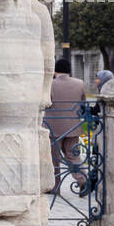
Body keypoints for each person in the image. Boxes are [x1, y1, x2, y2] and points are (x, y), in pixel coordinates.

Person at [45, 58, 88, 194]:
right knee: (73, 155)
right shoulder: (80, 83)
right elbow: (83, 103)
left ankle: (55, 187)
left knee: (53, 158)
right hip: (73, 126)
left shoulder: (50, 84)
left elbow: (46, 102)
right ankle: (83, 179)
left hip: (53, 127)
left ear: (55, 70)